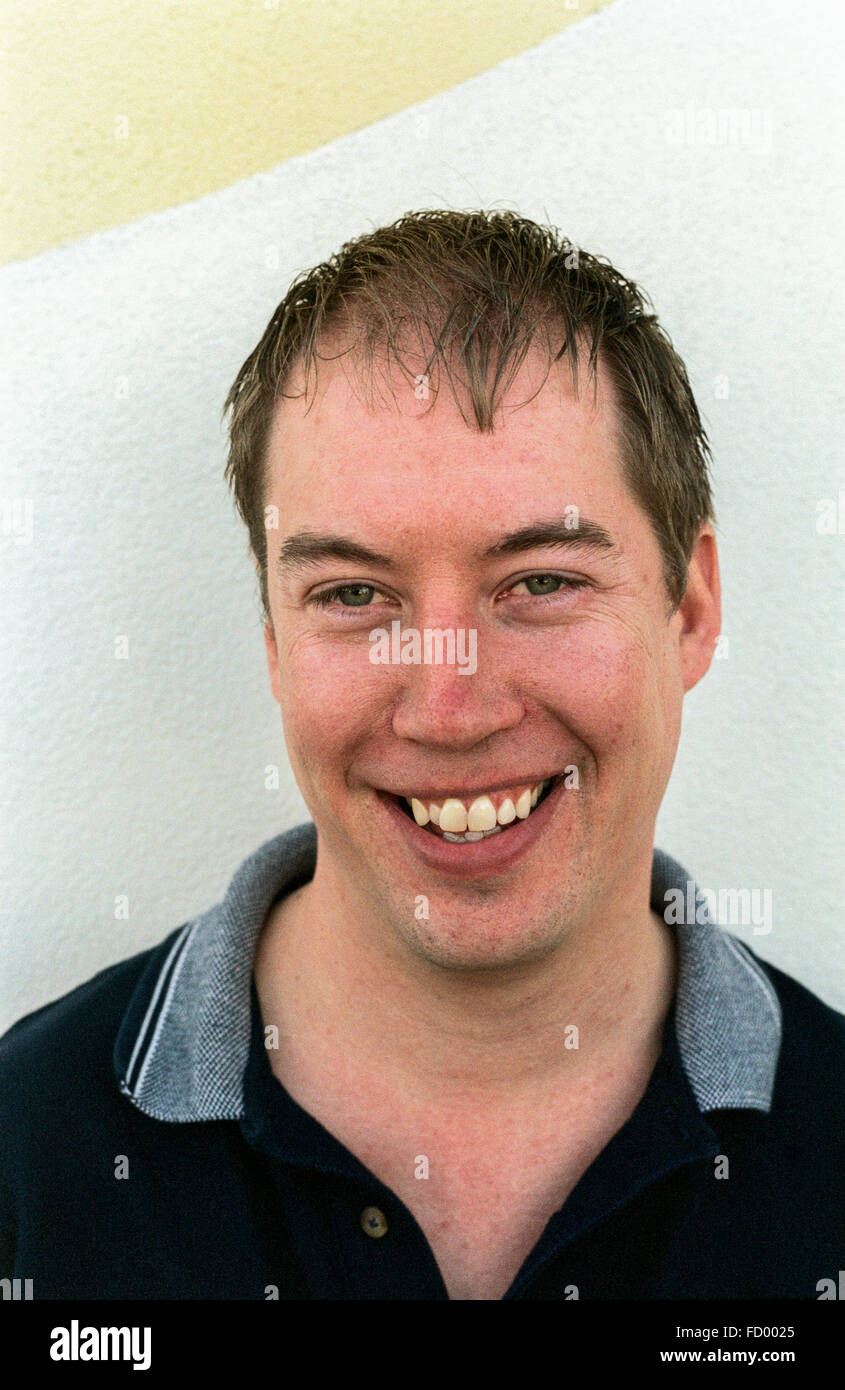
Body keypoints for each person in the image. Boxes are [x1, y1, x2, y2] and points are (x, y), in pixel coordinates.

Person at [2, 210, 843, 1302]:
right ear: (273, 640)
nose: (449, 708)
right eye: (353, 595)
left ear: (687, 609)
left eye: (539, 582)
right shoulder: (27, 1159)